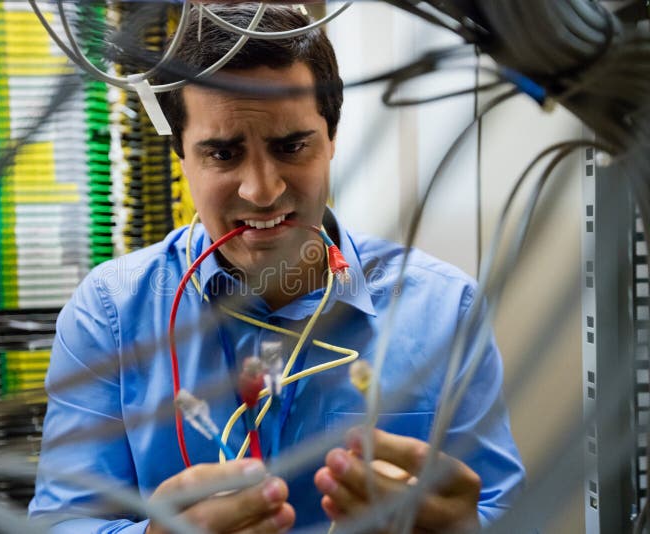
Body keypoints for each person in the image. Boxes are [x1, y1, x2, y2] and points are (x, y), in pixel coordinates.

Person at [29, 4, 525, 533]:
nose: (262, 191)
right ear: (181, 155)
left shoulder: (443, 309)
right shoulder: (111, 314)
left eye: (291, 147)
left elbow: (509, 515)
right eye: (223, 154)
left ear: (332, 138)